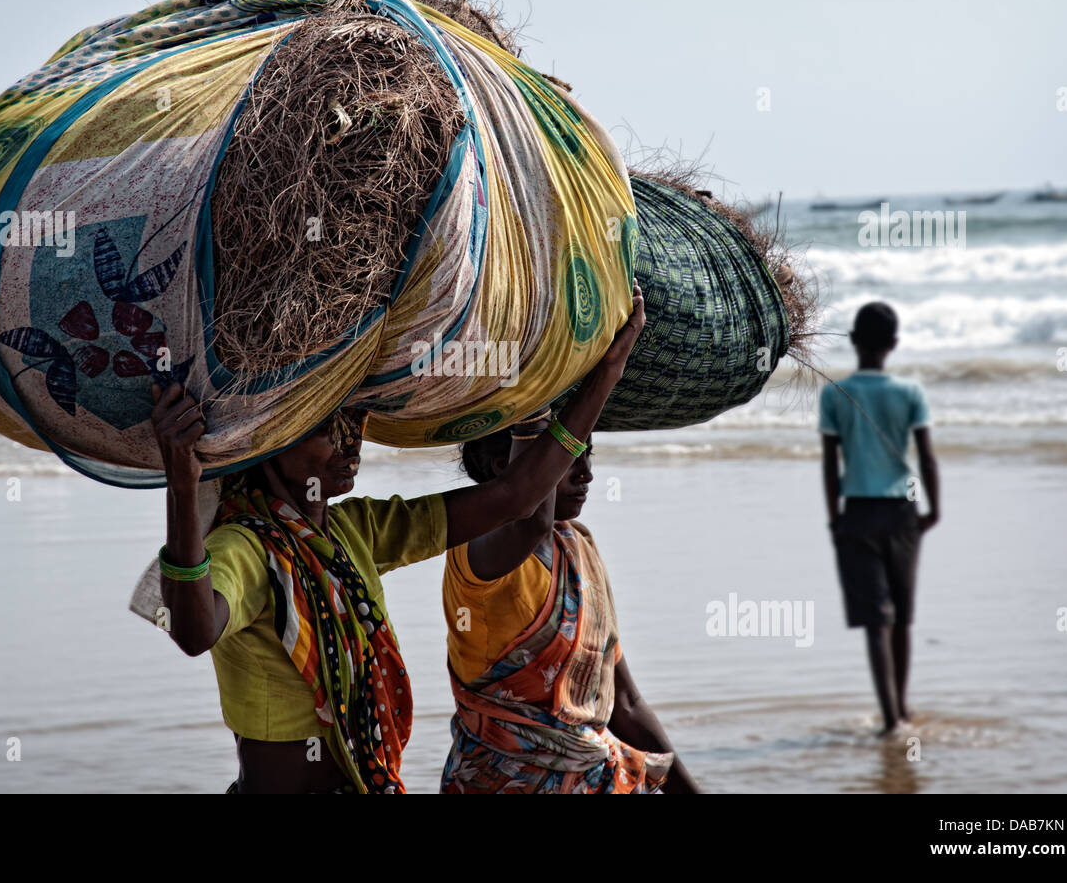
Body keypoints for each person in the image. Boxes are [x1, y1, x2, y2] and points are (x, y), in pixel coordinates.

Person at [150, 282, 646, 793]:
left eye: (356, 421)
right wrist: (183, 486)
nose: (352, 442)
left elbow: (516, 500)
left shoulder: (356, 531)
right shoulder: (249, 548)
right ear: (273, 441)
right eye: (330, 429)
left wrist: (583, 384)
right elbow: (194, 631)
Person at [440, 416, 700, 793]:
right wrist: (603, 374)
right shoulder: (477, 548)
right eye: (568, 455)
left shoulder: (579, 548)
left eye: (587, 454)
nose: (587, 474)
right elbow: (531, 523)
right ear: (506, 466)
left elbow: (624, 703)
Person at [819, 301, 940, 736]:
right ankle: (902, 710)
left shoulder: (836, 393)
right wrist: (934, 509)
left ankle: (891, 718)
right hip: (903, 512)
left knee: (876, 620)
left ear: (853, 341)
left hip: (858, 513)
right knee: (902, 618)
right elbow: (925, 457)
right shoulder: (910, 393)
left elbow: (830, 464)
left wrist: (834, 519)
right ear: (893, 345)